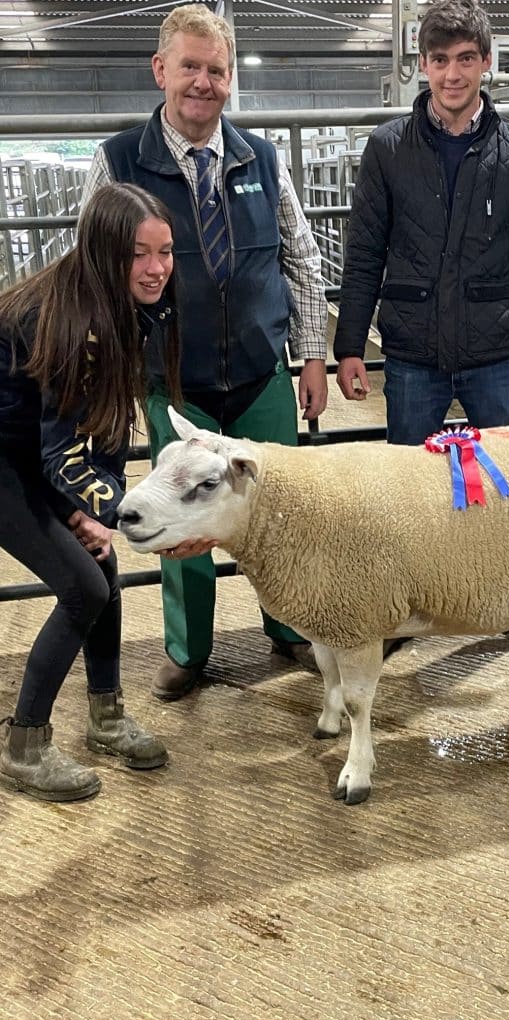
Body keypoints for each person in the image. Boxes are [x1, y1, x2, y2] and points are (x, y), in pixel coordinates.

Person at [82, 3, 330, 702]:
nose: (203, 82)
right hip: (174, 380)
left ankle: (291, 627)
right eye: (190, 66)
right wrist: (107, 375)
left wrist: (310, 357)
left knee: (279, 514)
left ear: (230, 81)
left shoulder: (261, 157)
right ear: (161, 70)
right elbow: (95, 275)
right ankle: (189, 651)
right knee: (177, 516)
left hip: (260, 373)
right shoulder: (120, 160)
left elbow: (303, 261)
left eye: (216, 70)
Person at [333, 0, 509, 663]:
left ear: (486, 63)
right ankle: (404, 611)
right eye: (439, 60)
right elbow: (365, 254)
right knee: (410, 495)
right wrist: (348, 345)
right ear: (422, 66)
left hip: (495, 349)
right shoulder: (386, 149)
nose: (452, 73)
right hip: (412, 351)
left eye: (466, 58)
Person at [0, 183, 183, 803]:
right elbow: (60, 450)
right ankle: (25, 745)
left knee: (100, 565)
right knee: (81, 585)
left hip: (32, 449)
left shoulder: (115, 303)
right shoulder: (73, 319)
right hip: (5, 459)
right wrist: (131, 517)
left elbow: (93, 426)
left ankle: (106, 717)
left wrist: (98, 507)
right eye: (139, 254)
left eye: (165, 252)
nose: (156, 269)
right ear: (106, 252)